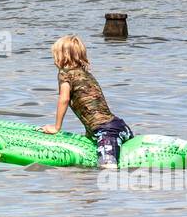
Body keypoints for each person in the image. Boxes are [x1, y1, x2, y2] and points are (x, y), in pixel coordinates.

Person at [40, 35, 133, 168]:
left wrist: (56, 127)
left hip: (106, 132)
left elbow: (64, 99)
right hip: (120, 126)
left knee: (107, 168)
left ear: (61, 56)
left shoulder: (65, 74)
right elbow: (93, 107)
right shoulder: (86, 74)